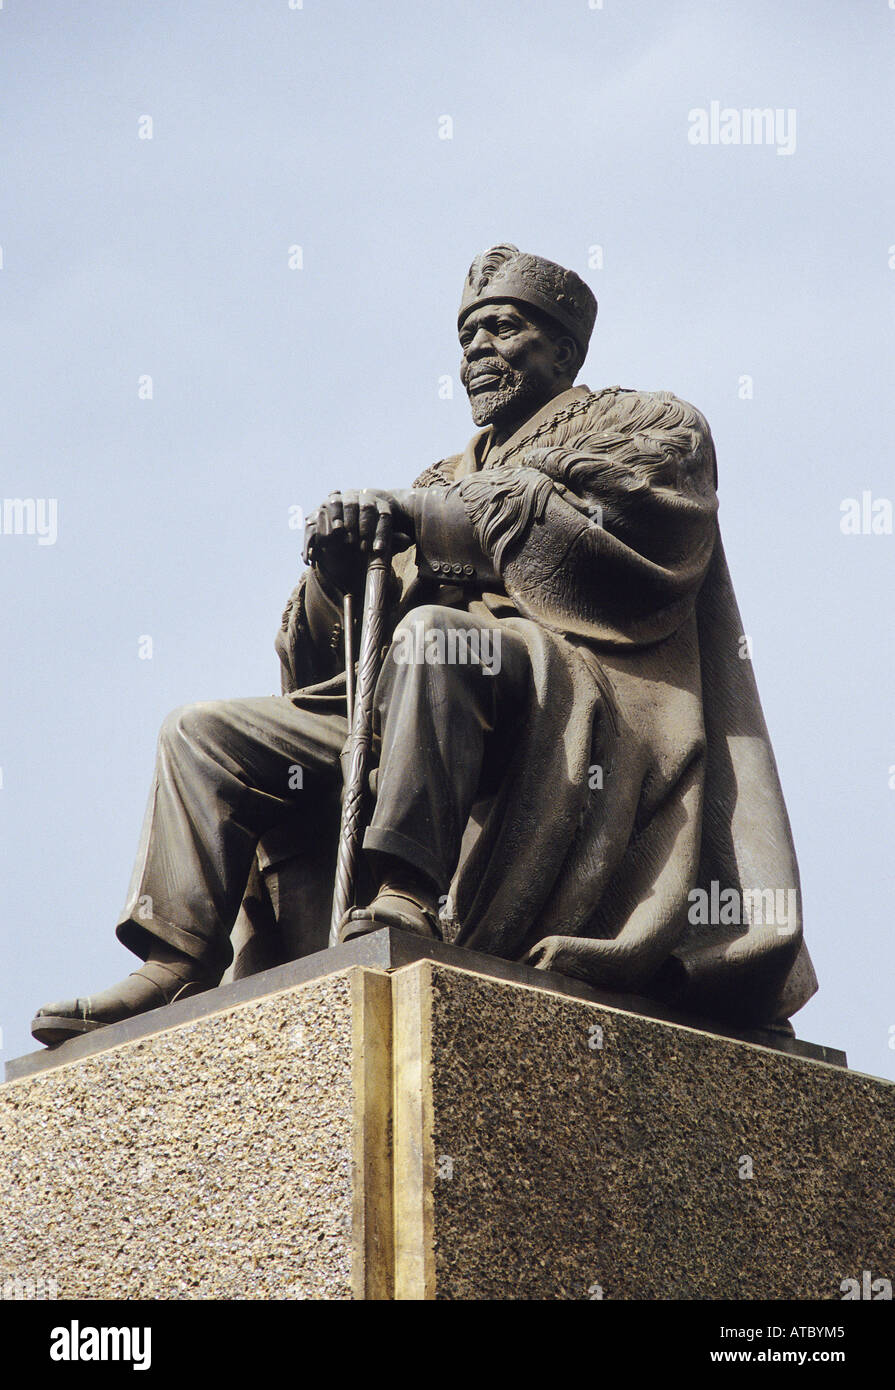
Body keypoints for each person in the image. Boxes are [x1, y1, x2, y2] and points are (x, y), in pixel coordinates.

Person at [31, 243, 816, 1047]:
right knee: (201, 731)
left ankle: (404, 891)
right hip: (412, 712)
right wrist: (339, 576)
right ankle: (175, 955)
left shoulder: (648, 424)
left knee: (438, 640)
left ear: (564, 348)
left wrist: (420, 519)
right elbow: (333, 659)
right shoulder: (440, 473)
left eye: (502, 329)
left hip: (577, 704)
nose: (477, 351)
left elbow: (620, 539)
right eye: (467, 338)